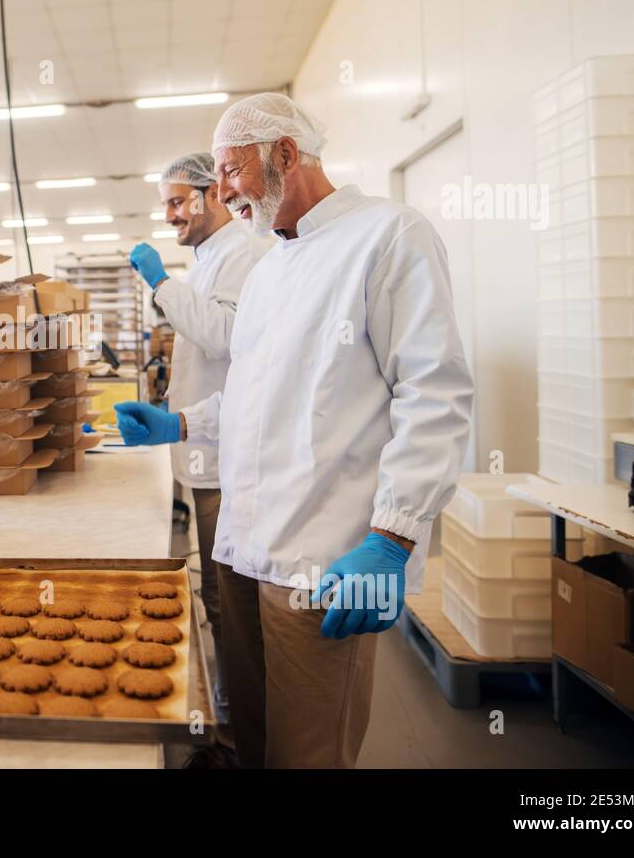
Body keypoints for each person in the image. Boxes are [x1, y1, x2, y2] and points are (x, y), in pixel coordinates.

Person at [115, 93, 474, 768]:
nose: (220, 192)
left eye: (230, 171)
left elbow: (435, 393)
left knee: (307, 752)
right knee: (252, 736)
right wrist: (182, 420)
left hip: (322, 563)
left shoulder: (389, 236)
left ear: (285, 153)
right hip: (246, 547)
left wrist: (393, 537)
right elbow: (254, 395)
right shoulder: (272, 264)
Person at [127, 152, 268, 740]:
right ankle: (235, 714)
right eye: (165, 205)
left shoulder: (244, 252)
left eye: (179, 201)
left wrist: (161, 284)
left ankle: (242, 733)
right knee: (217, 598)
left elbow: (224, 335)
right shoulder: (211, 258)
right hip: (205, 444)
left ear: (214, 194)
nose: (170, 216)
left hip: (227, 460)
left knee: (229, 602)